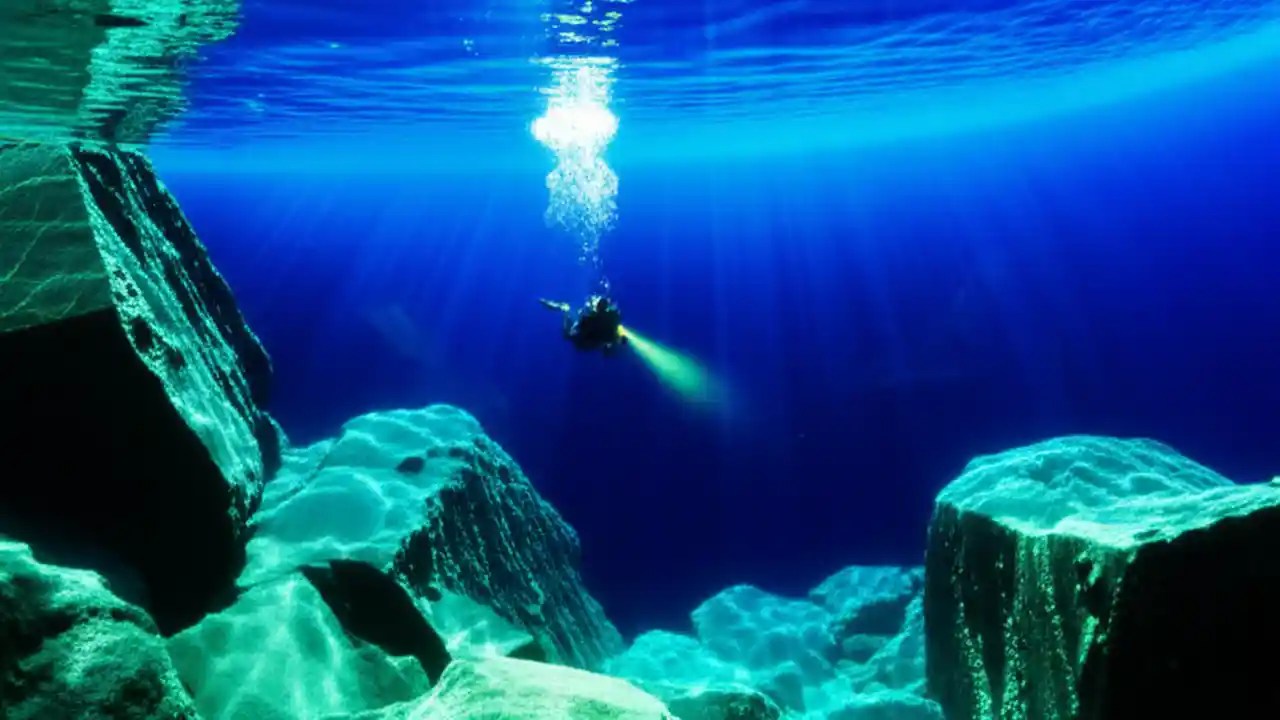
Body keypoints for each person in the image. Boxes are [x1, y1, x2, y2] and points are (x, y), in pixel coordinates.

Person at [539, 294, 628, 355]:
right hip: (594, 341)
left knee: (566, 310)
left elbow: (576, 331)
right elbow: (619, 327)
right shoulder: (612, 315)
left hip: (586, 341)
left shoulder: (590, 318)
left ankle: (563, 309)